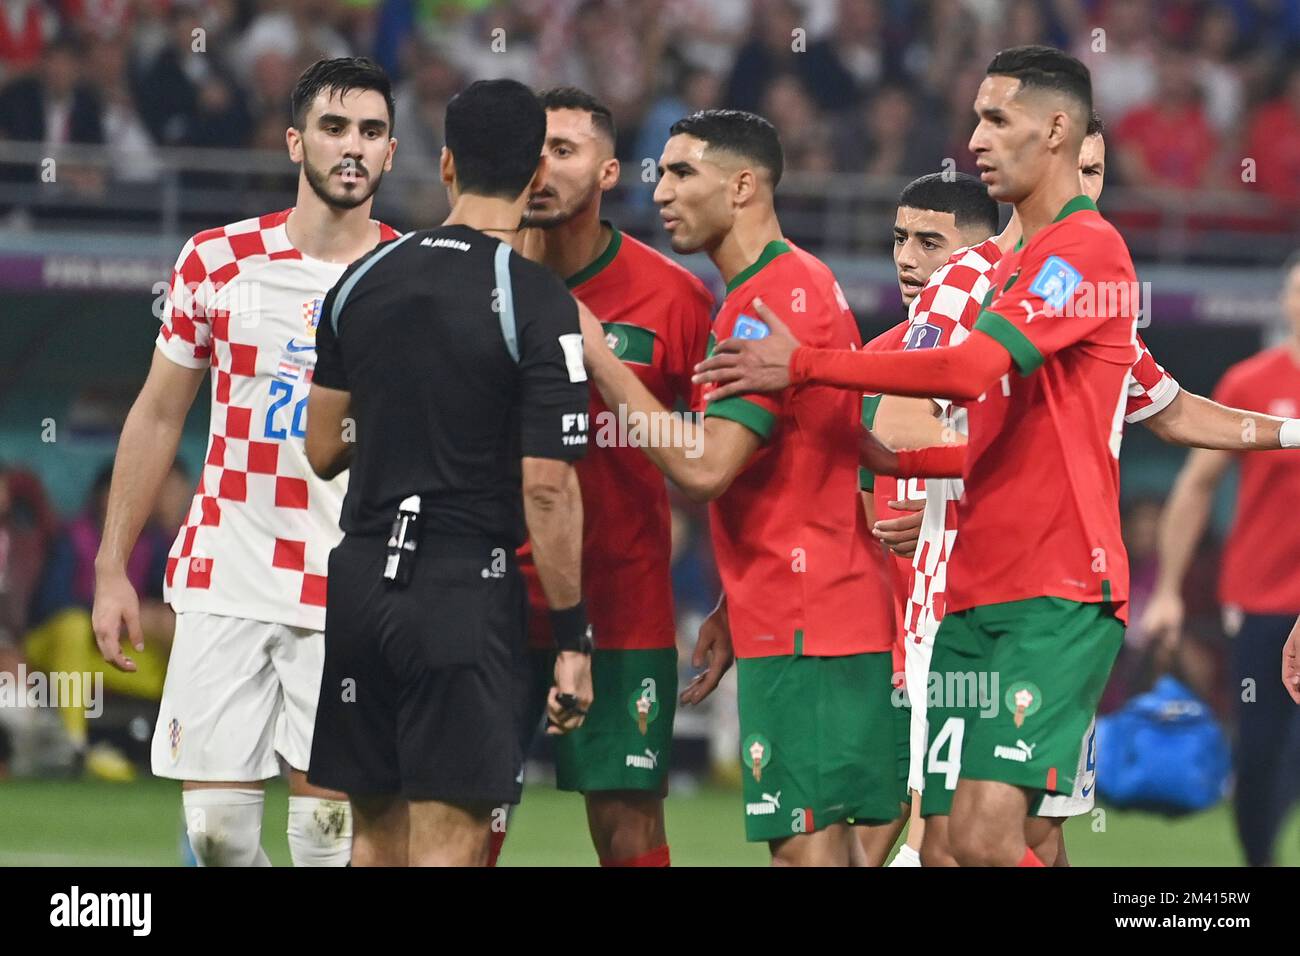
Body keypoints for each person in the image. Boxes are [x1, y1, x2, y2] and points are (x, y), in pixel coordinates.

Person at [92, 57, 402, 867]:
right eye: (334, 128)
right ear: (295, 141)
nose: (351, 147)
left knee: (326, 841)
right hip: (226, 573)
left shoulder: (411, 275)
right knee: (218, 840)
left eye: (371, 132)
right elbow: (159, 414)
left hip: (350, 582)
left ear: (392, 154)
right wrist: (111, 567)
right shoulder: (216, 261)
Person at [578, 108, 900, 866]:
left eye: (684, 172)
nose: (662, 191)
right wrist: (732, 598)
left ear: (744, 184)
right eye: (660, 173)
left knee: (804, 853)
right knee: (834, 850)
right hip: (821, 606)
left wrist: (599, 357)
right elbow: (803, 465)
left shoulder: (765, 305)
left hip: (805, 619)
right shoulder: (794, 282)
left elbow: (704, 467)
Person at [303, 78, 594, 867]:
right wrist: (572, 638)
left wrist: (407, 418)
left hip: (362, 580)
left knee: (373, 842)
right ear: (537, 172)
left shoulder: (362, 279)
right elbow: (546, 483)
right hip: (461, 587)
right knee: (449, 850)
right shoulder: (531, 297)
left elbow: (323, 447)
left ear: (447, 165)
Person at [503, 86, 715, 868]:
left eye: (563, 151)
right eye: (531, 152)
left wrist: (730, 594)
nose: (542, 170)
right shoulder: (475, 282)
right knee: (462, 823)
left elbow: (718, 456)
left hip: (623, 608)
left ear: (608, 171)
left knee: (628, 831)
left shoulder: (676, 298)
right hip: (490, 601)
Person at [1143, 250, 1300, 866]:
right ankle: (1258, 865)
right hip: (1260, 602)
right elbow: (1196, 483)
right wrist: (1168, 589)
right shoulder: (1251, 383)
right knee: (1258, 752)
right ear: (1284, 301)